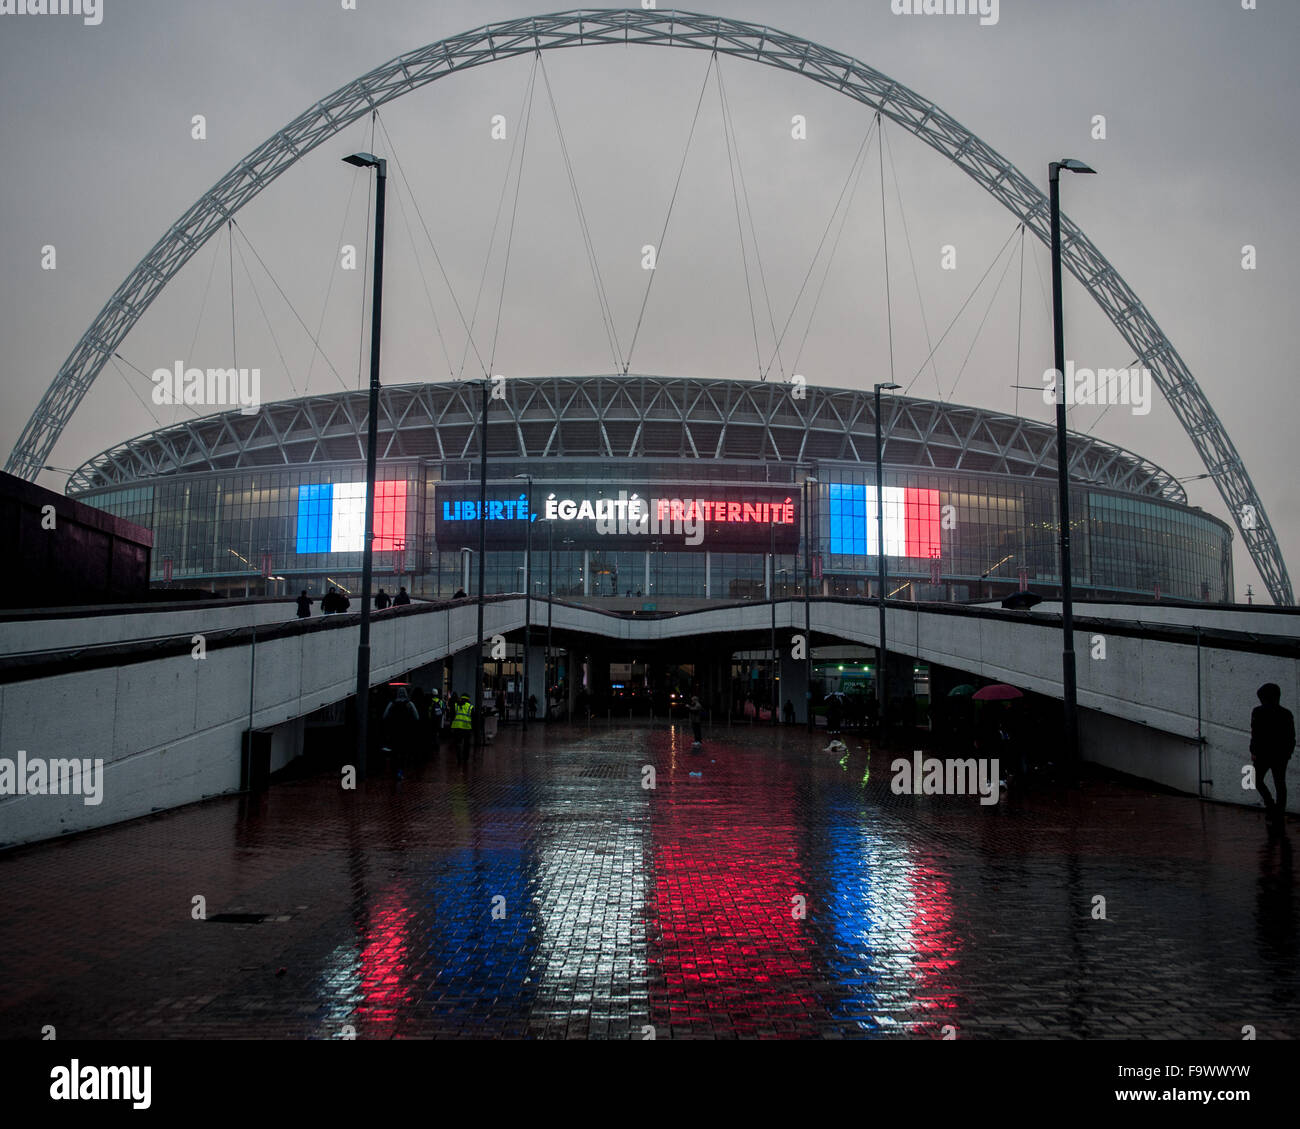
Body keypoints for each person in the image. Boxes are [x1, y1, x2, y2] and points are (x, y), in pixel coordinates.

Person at [1251, 682, 1295, 830]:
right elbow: (1291, 737)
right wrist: (1288, 753)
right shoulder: (1286, 714)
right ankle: (1278, 813)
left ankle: (1271, 806)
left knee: (1256, 780)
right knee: (1280, 784)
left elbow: (1256, 734)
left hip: (1263, 754)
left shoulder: (1258, 712)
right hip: (1280, 755)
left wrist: (1254, 752)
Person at [381, 687, 420, 776]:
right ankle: (400, 771)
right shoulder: (409, 703)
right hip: (405, 731)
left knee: (394, 751)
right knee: (403, 752)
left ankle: (393, 770)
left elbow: (384, 716)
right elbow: (417, 717)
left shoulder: (392, 703)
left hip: (394, 731)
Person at [451, 693, 474, 764]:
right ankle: (465, 759)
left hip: (457, 727)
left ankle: (459, 758)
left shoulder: (456, 705)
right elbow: (473, 718)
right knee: (467, 744)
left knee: (458, 743)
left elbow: (452, 716)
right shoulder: (470, 706)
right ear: (468, 699)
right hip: (467, 728)